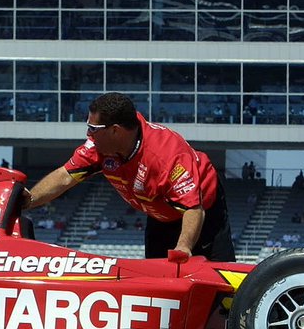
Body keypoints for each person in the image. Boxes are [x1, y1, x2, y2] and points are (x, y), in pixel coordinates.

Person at [24, 92, 234, 261]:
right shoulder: (97, 148)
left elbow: (193, 208)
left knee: (223, 290)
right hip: (160, 215)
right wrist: (29, 200)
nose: (88, 134)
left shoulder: (166, 155)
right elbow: (64, 177)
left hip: (204, 211)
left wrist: (184, 247)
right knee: (159, 283)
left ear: (115, 131)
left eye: (92, 128)